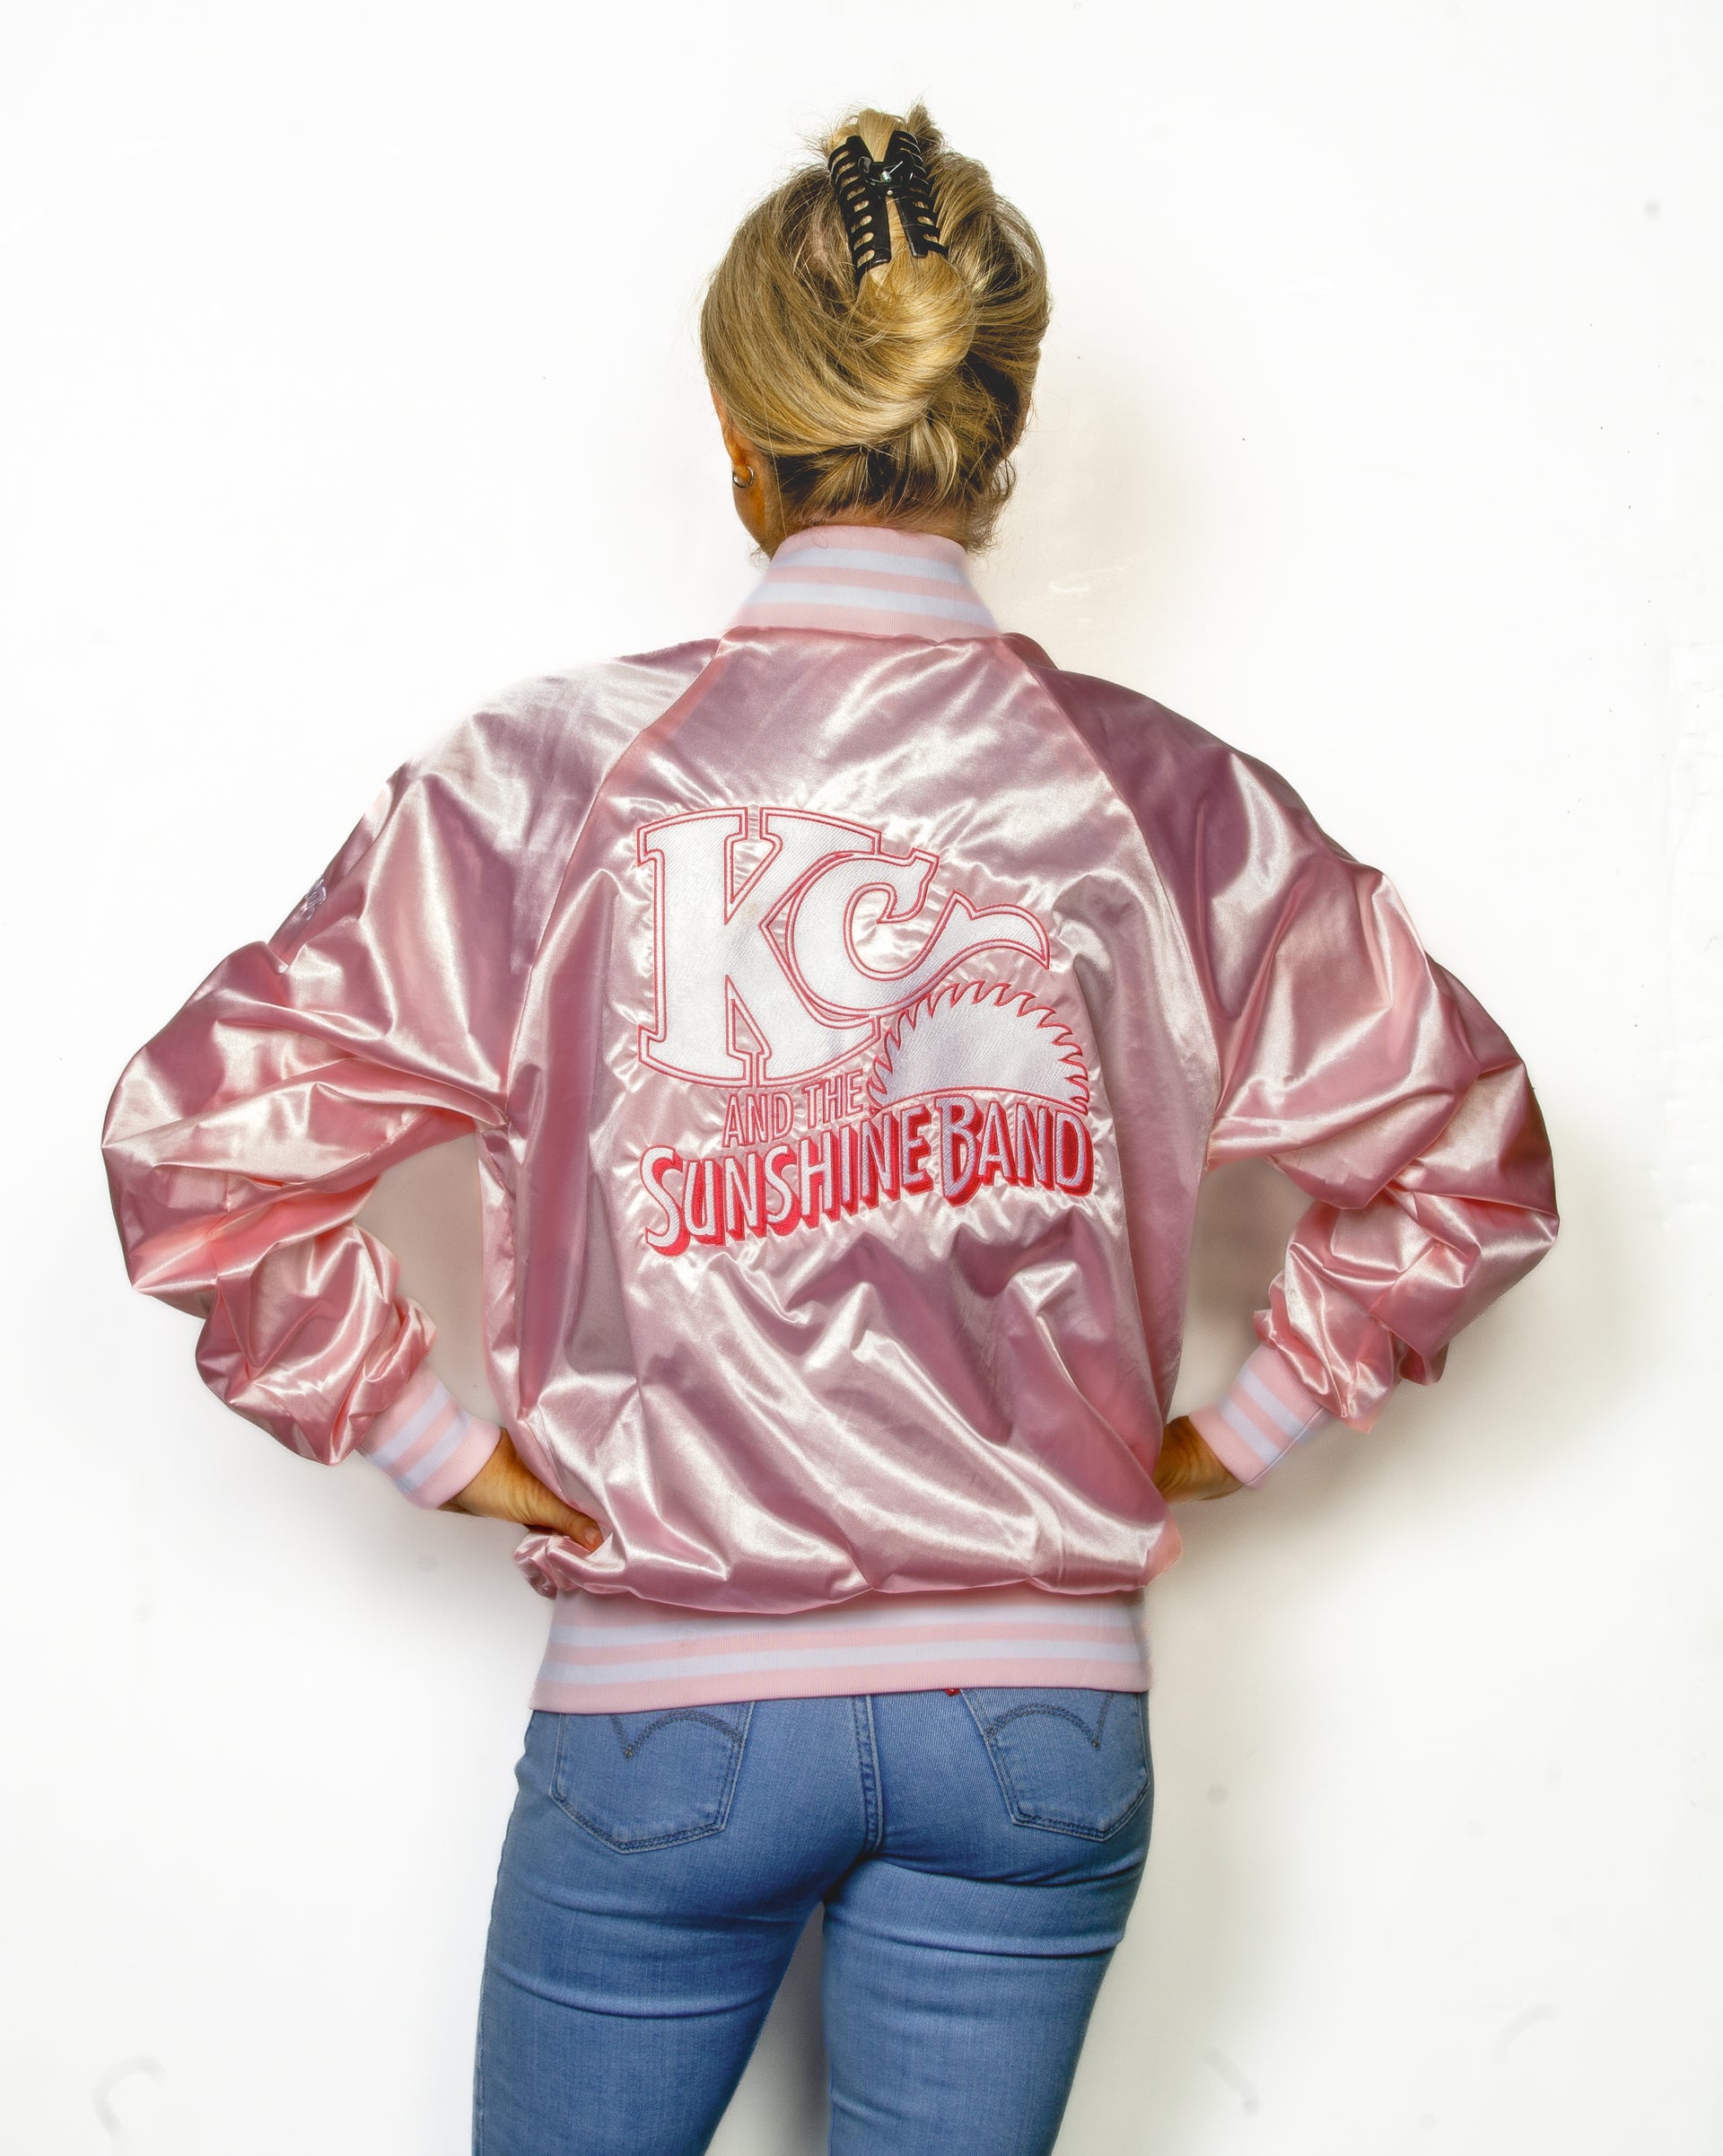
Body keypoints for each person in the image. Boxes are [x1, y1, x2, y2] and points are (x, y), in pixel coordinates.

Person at [101, 104, 1559, 2156]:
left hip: (666, 1705)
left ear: (741, 432)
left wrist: (439, 1445)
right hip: (1038, 1716)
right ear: (1001, 420)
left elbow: (201, 1142)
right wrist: (1233, 1432)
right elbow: (1468, 1153)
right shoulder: (1173, 802)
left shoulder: (544, 787)